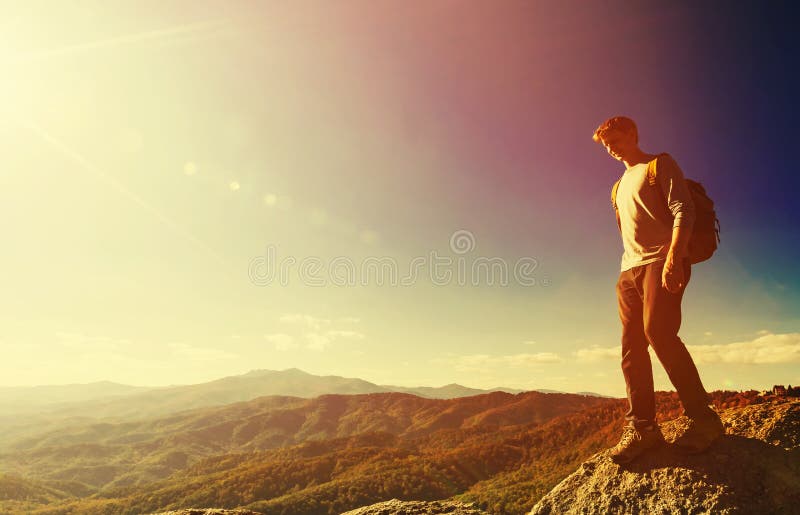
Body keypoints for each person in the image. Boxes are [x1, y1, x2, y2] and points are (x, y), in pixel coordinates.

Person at [592, 116, 724, 464]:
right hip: (629, 270)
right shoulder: (617, 188)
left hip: (662, 261)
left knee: (659, 333)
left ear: (633, 134)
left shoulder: (659, 164)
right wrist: (626, 270)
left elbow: (684, 209)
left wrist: (674, 258)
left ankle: (704, 419)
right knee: (631, 346)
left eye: (616, 139)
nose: (611, 148)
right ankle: (643, 429)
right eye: (606, 144)